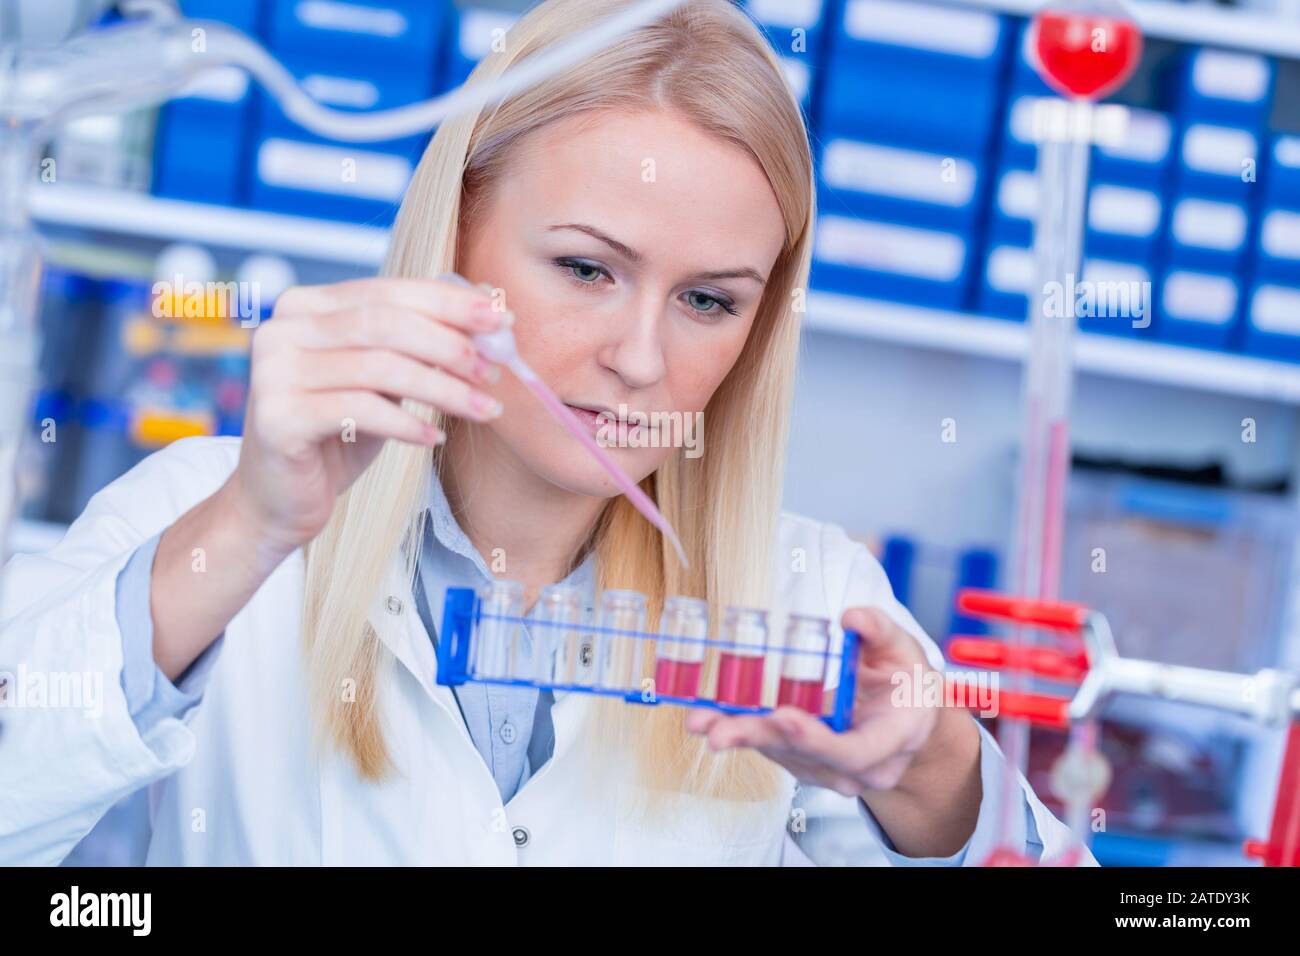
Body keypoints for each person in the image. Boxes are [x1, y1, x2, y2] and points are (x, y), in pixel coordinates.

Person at [0, 0, 1090, 866]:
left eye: (708, 301)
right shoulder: (199, 510)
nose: (642, 357)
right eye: (584, 267)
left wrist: (933, 767)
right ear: (457, 230)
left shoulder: (806, 595)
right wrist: (244, 527)